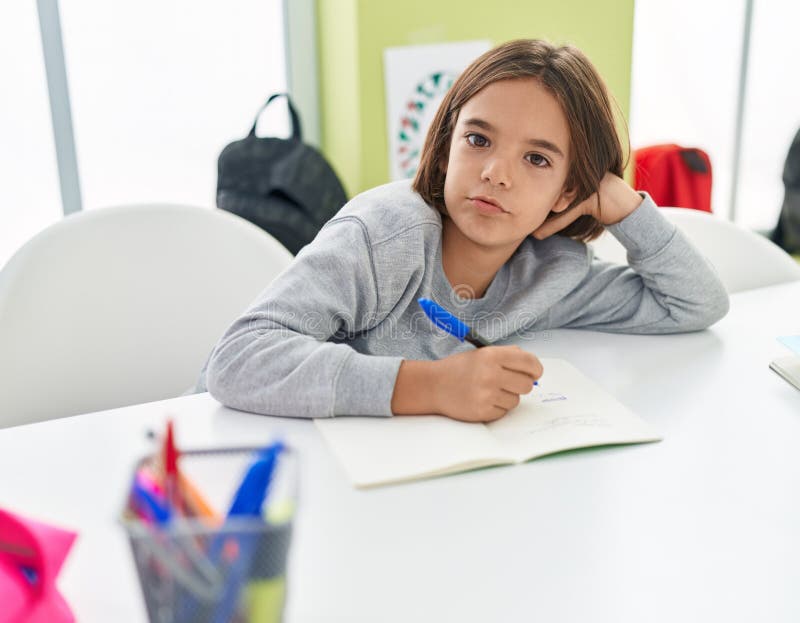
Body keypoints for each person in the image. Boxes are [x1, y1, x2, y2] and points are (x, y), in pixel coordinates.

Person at [201, 39, 729, 423]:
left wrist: (624, 206)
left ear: (568, 193)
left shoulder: (551, 271)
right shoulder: (386, 235)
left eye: (537, 159)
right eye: (478, 140)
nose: (497, 172)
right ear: (449, 140)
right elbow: (236, 360)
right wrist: (429, 386)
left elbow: (695, 305)